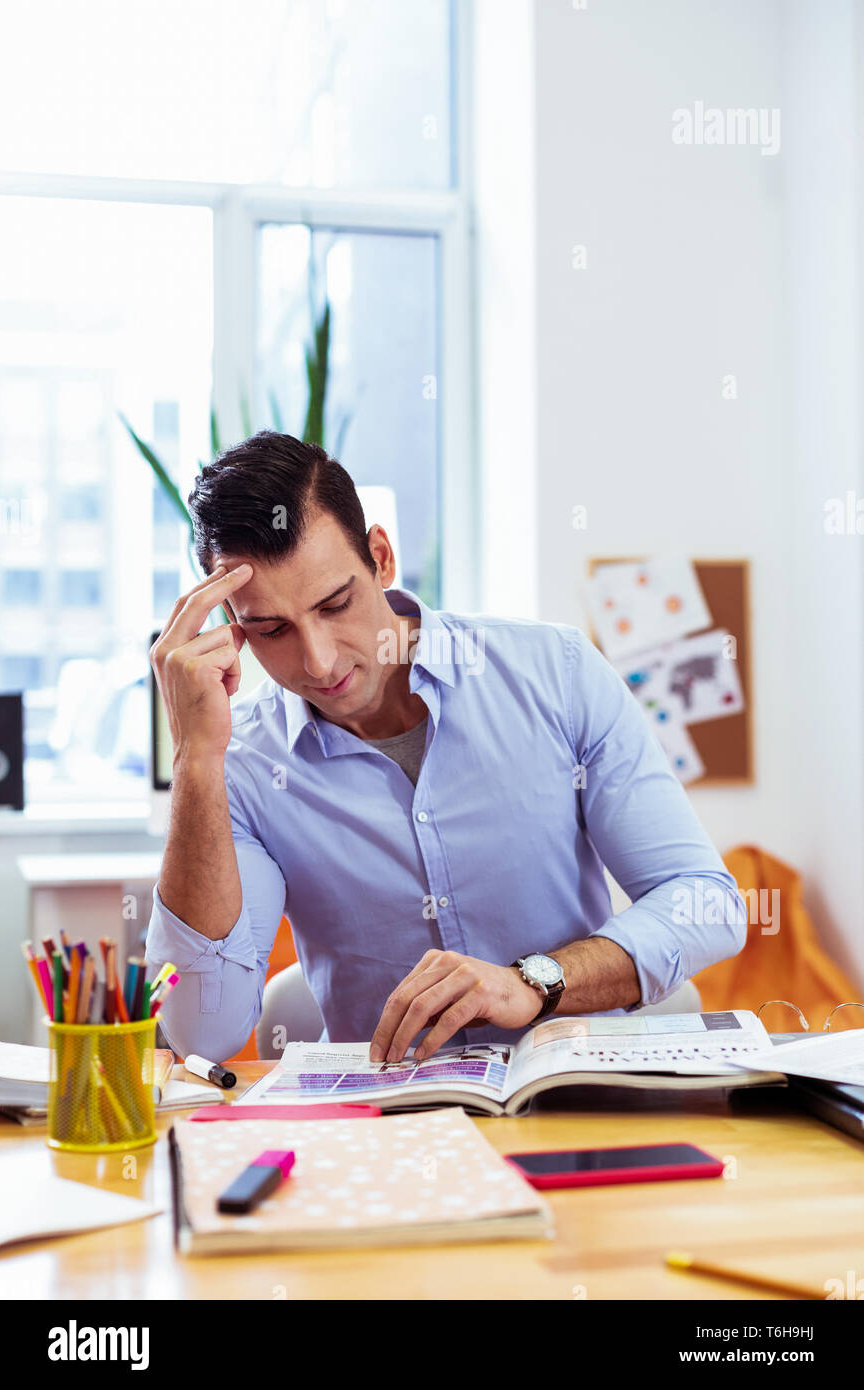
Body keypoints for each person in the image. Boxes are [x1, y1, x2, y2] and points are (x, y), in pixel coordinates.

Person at [146, 431, 747, 1064]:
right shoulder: (242, 767)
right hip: (385, 1127)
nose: (318, 662)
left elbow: (706, 901)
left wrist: (532, 982)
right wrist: (194, 759)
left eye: (336, 603)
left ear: (380, 557)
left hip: (576, 1098)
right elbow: (204, 1035)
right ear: (233, 628)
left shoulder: (556, 673)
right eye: (271, 630)